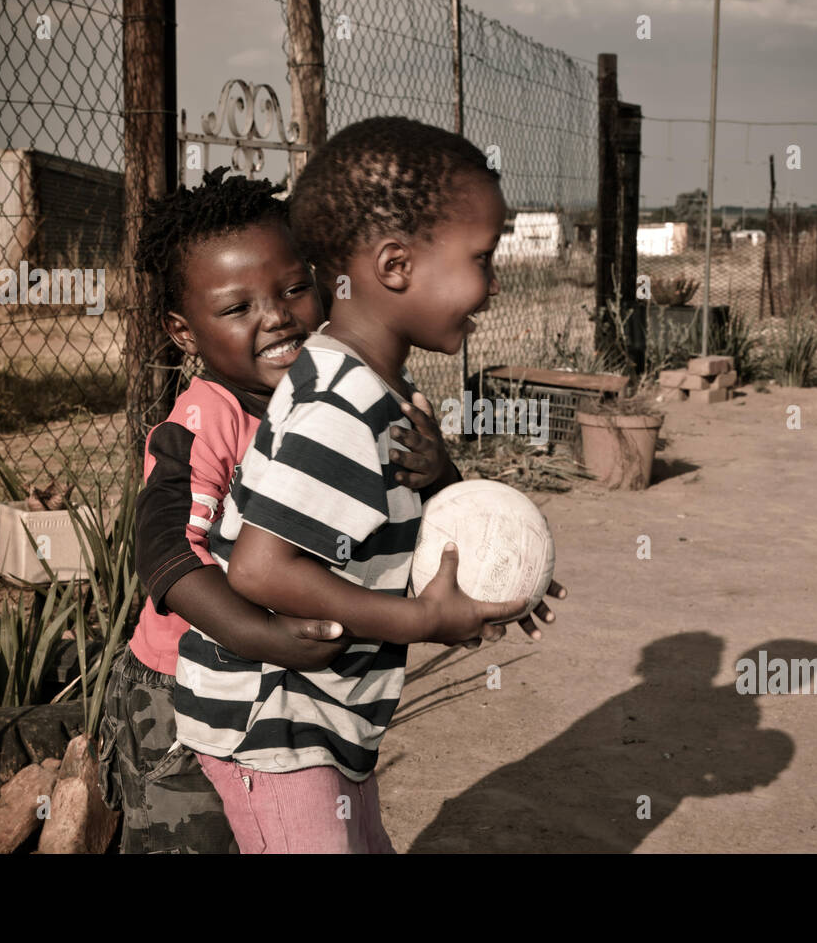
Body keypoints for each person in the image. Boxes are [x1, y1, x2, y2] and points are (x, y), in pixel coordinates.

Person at [175, 117, 566, 853]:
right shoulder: (340, 406)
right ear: (394, 265)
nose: (494, 281)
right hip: (275, 724)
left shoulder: (372, 385)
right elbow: (263, 567)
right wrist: (424, 620)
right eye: (482, 258)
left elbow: (364, 526)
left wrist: (491, 559)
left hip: (332, 716)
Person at [99, 167, 472, 852]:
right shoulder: (203, 422)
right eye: (237, 308)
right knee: (196, 841)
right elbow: (167, 553)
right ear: (183, 332)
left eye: (293, 288)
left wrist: (437, 473)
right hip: (182, 691)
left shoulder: (345, 400)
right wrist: (262, 636)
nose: (275, 316)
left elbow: (401, 525)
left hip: (307, 688)